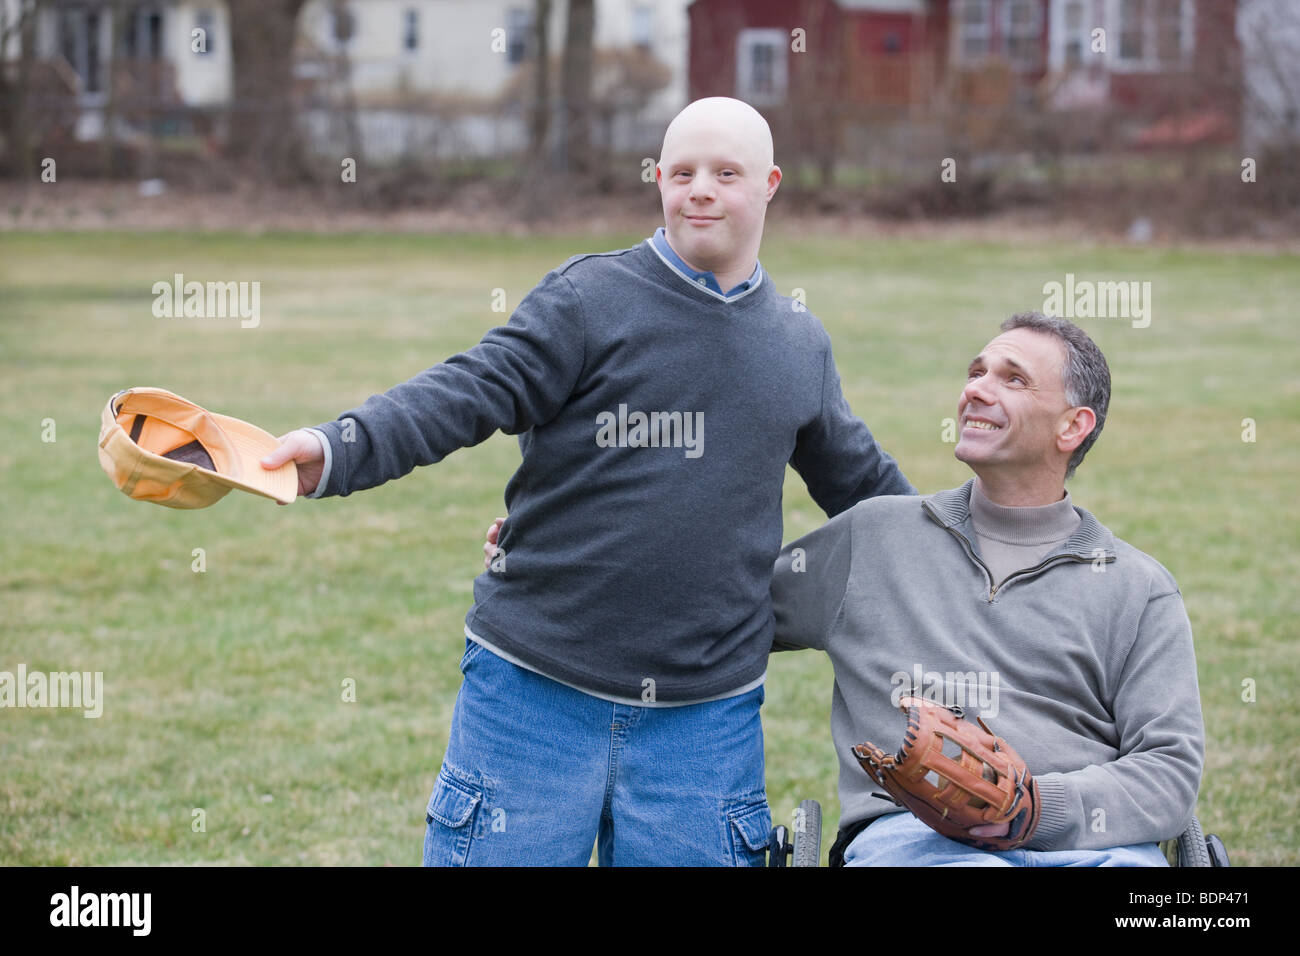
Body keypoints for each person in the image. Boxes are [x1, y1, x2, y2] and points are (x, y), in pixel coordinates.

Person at [260, 97, 914, 866]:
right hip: (533, 694)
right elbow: (468, 390)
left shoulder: (798, 345)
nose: (699, 188)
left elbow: (869, 491)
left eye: (725, 173)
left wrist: (974, 542)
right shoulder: (588, 300)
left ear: (770, 184)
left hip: (704, 721)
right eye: (681, 172)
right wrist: (337, 448)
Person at [768, 312, 1205, 866]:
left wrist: (1034, 809)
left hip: (1096, 848)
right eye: (977, 373)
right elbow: (725, 617)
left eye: (1012, 379)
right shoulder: (872, 537)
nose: (976, 389)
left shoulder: (1139, 588)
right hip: (915, 841)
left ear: (1072, 427)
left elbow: (1169, 772)